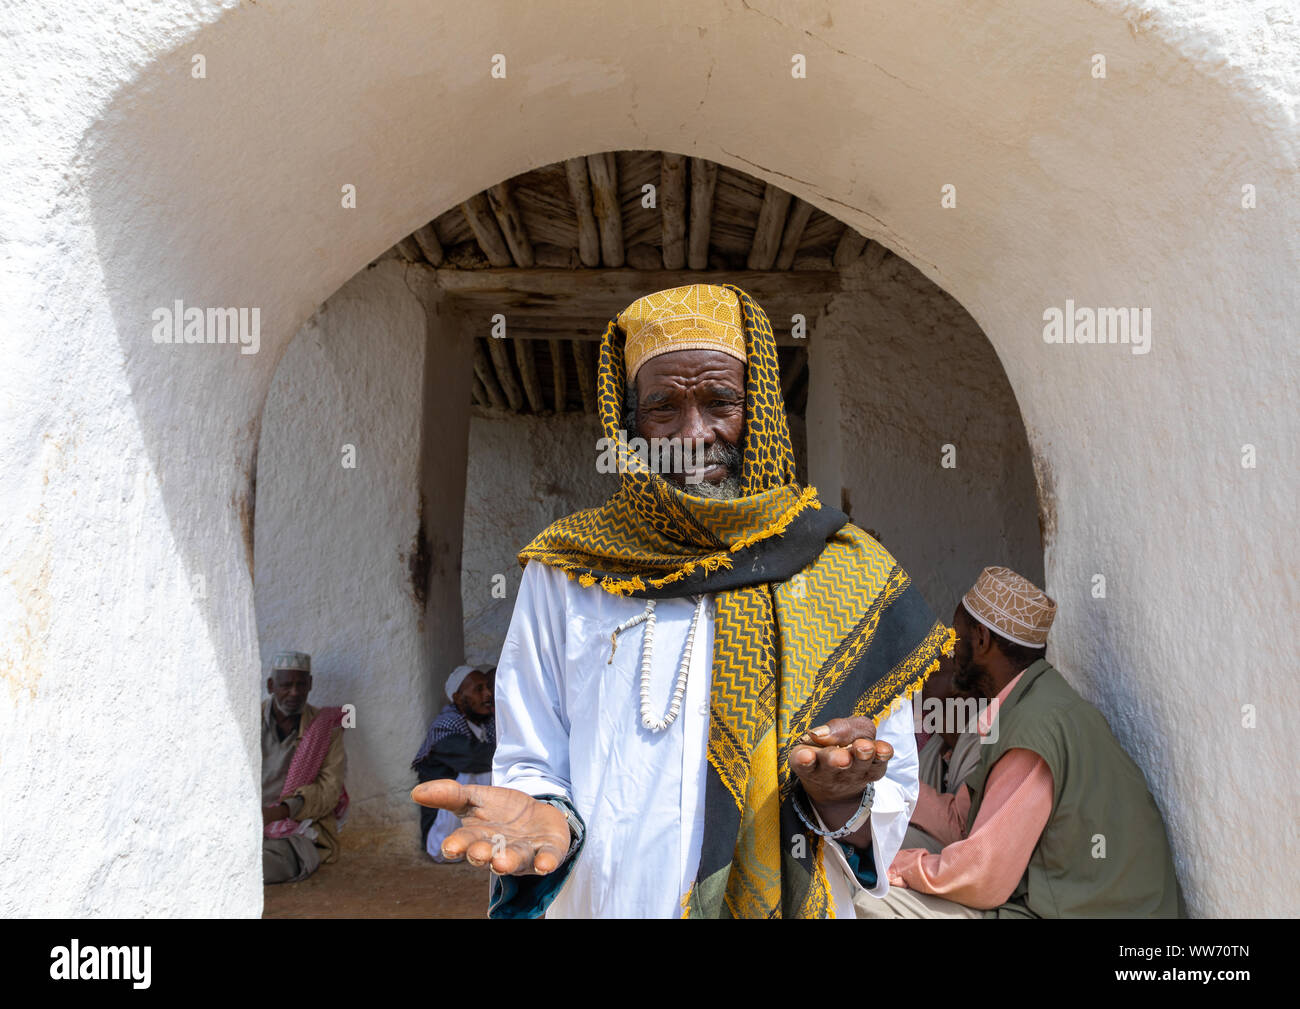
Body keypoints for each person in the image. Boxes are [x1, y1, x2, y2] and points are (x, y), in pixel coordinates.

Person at [413, 283, 954, 918]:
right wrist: (545, 813)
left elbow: (887, 793)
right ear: (628, 421)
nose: (693, 435)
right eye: (663, 407)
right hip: (607, 901)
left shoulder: (845, 571)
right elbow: (533, 756)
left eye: (721, 401)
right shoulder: (570, 571)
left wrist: (839, 798)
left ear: (762, 411)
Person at [864, 566, 1185, 918]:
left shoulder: (1035, 727)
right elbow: (960, 824)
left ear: (982, 639)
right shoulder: (1035, 704)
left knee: (866, 895)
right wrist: (880, 777)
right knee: (872, 848)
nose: (950, 651)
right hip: (1057, 896)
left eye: (956, 637)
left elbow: (982, 876)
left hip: (1081, 911)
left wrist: (899, 869)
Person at [262, 651, 349, 884]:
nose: (294, 693)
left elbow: (329, 792)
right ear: (271, 686)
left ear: (310, 685)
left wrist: (279, 812)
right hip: (248, 821)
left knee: (258, 865)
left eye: (301, 685)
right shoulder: (249, 720)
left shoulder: (325, 728)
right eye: (286, 685)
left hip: (299, 829)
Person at [412, 664, 497, 859]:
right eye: (478, 690)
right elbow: (475, 758)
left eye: (487, 688)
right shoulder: (445, 727)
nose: (487, 694)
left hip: (466, 820)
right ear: (458, 698)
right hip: (440, 832)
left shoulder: (484, 724)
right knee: (481, 769)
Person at [903, 653, 980, 853]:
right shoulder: (937, 746)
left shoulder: (982, 744)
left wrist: (894, 781)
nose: (923, 676)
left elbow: (961, 835)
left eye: (934, 667)